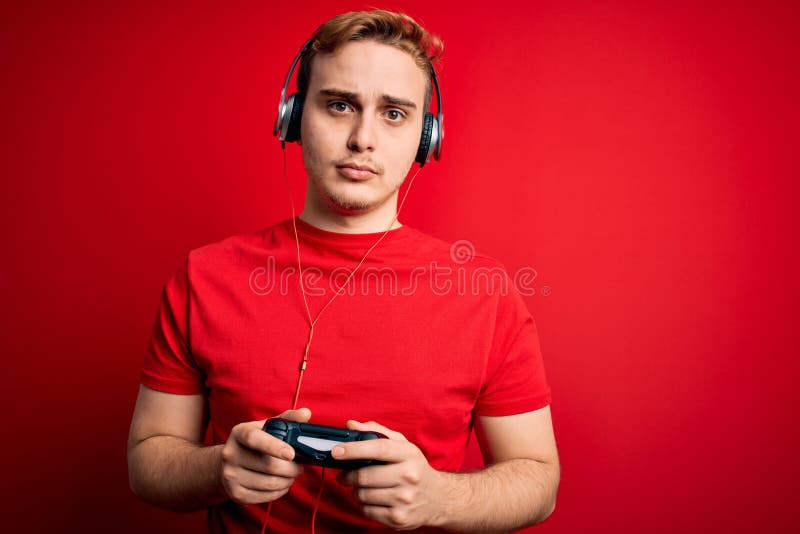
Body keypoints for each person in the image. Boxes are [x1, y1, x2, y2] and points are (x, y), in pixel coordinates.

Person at [128, 9, 559, 533]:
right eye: (339, 105)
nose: (362, 139)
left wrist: (441, 497)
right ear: (292, 116)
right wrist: (218, 468)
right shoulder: (204, 276)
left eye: (394, 114)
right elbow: (148, 460)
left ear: (428, 137)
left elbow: (539, 479)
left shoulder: (486, 296)